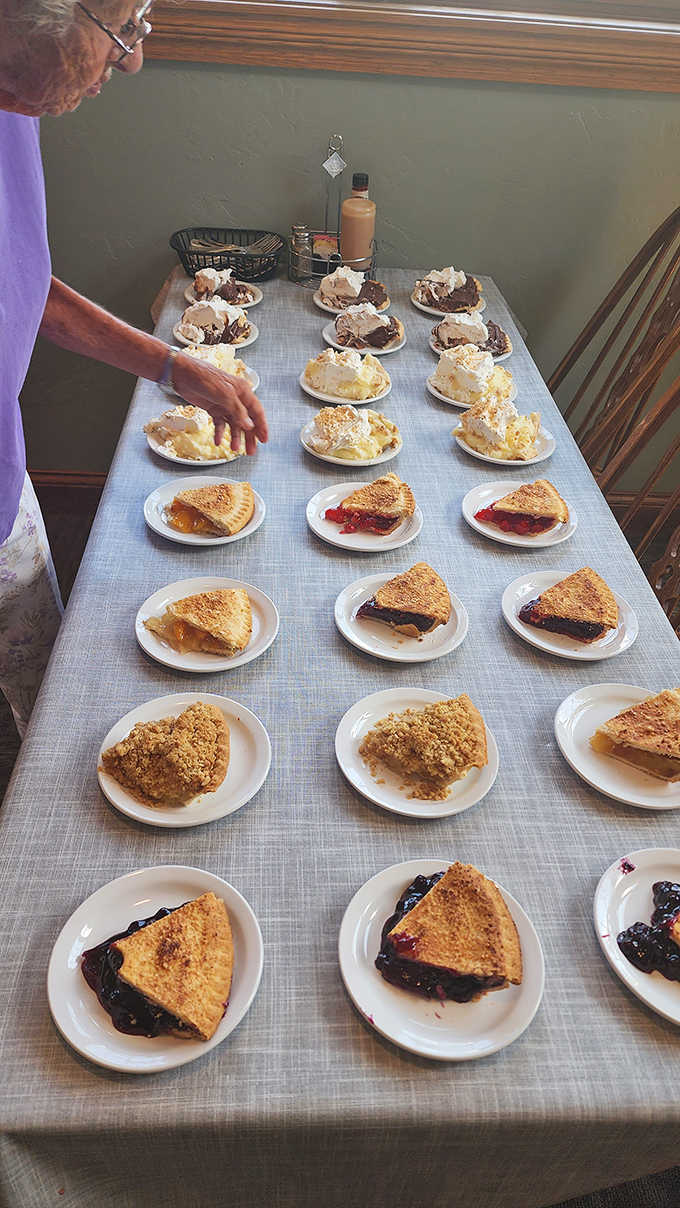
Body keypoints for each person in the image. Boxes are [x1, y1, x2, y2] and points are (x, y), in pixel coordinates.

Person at [0, 0, 269, 738]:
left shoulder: (14, 104)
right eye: (124, 28)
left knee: (45, 695)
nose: (134, 58)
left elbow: (23, 282)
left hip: (3, 474)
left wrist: (171, 366)